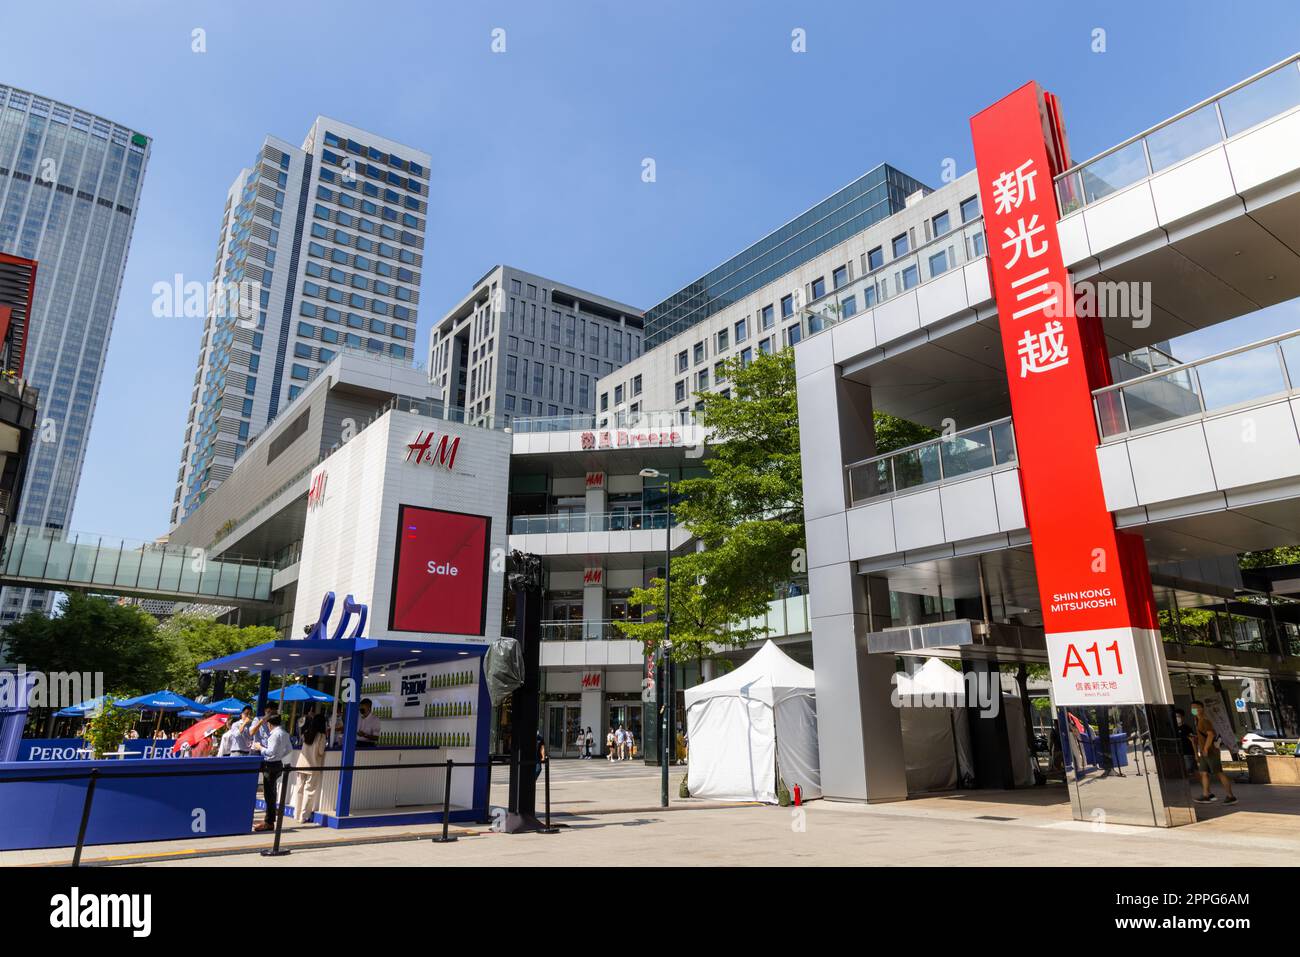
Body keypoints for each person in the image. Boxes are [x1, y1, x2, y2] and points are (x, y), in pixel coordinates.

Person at [251, 713, 292, 831]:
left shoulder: (274, 735)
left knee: (269, 794)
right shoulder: (284, 733)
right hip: (278, 764)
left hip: (271, 765)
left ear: (269, 724)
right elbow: (289, 749)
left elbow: (270, 752)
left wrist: (260, 747)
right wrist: (280, 756)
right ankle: (269, 819)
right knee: (272, 793)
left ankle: (269, 822)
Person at [1193, 700, 1237, 805]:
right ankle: (1206, 795)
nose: (1193, 710)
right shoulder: (1198, 721)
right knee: (1203, 773)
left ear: (1201, 709)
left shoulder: (1204, 721)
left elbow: (1211, 734)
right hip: (1204, 752)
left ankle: (1231, 796)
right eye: (1192, 708)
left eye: (1196, 707)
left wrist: (1206, 748)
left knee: (1219, 773)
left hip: (1210, 751)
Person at [290, 710, 328, 826]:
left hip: (301, 764)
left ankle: (296, 814)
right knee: (309, 791)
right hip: (313, 766)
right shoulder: (321, 736)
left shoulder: (306, 732)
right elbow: (321, 752)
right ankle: (303, 816)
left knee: (299, 790)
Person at [1174, 708, 1197, 776]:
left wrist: (1196, 754)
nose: (1177, 718)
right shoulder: (1174, 728)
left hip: (1188, 753)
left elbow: (1193, 740)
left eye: (1178, 716)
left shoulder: (1187, 728)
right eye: (1175, 716)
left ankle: (1203, 780)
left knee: (1191, 771)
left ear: (1183, 717)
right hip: (1179, 753)